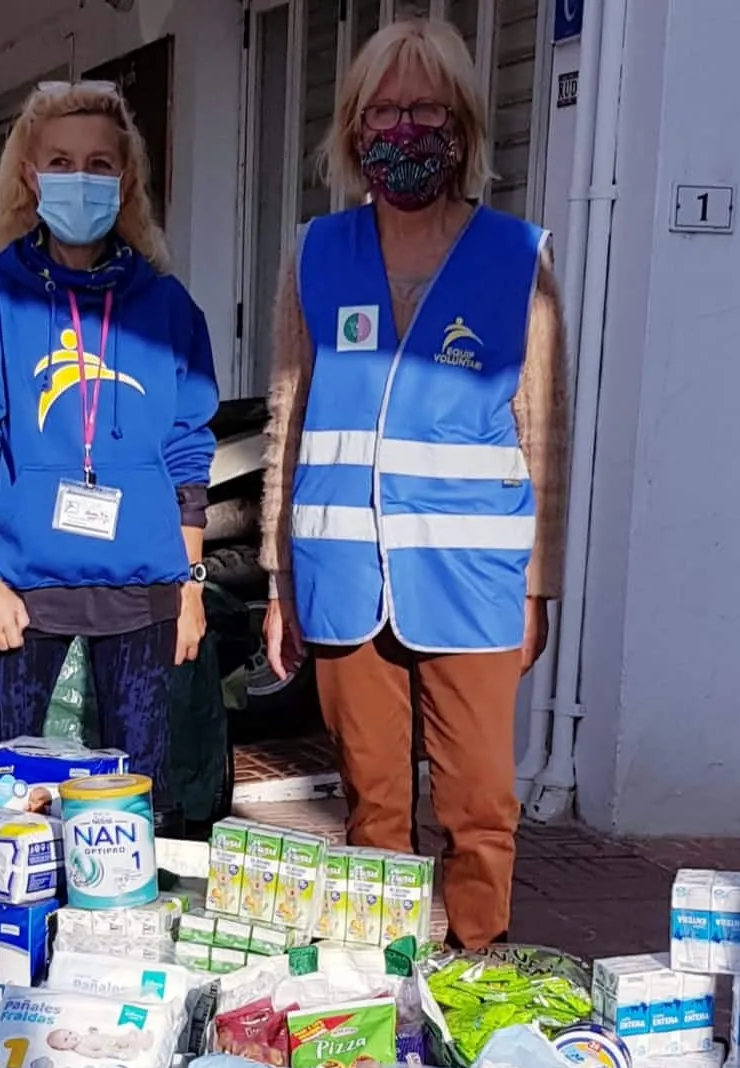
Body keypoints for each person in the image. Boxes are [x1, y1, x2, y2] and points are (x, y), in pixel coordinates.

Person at [260, 17, 569, 950]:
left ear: (462, 125)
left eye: (426, 110)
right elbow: (288, 420)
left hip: (473, 582)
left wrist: (538, 589)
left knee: (479, 805)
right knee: (372, 804)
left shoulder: (517, 257)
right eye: (383, 110)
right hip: (343, 576)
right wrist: (279, 581)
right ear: (353, 128)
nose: (403, 129)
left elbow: (544, 436)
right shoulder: (316, 252)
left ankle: (475, 969)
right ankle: (379, 975)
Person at [0, 80, 218, 822]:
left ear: (125, 179)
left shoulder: (167, 306)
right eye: (60, 162)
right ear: (29, 175)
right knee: (3, 810)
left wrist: (189, 588)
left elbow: (188, 457)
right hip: (20, 592)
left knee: (134, 814)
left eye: (98, 164)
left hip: (144, 592)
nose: (78, 179)